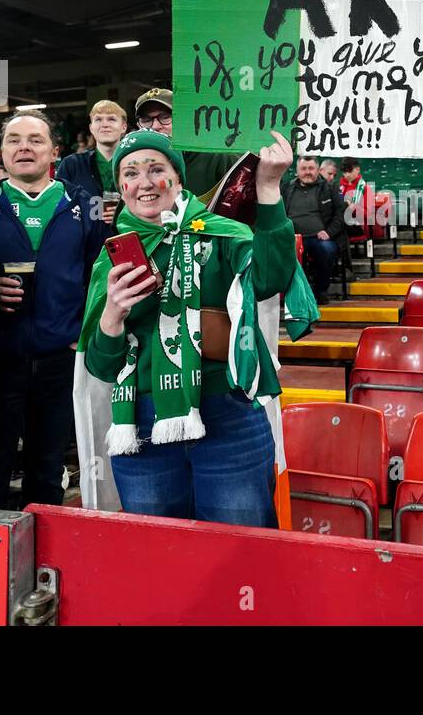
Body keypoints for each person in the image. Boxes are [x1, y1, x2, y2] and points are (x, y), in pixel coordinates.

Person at [80, 130, 310, 524]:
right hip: (142, 424)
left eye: (157, 169)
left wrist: (268, 187)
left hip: (228, 415)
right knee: (160, 554)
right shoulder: (112, 258)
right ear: (120, 186)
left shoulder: (222, 231)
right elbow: (102, 366)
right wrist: (112, 316)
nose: (144, 182)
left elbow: (272, 276)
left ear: (179, 178)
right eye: (131, 173)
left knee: (240, 547)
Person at [0, 114, 108, 509]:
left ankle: (45, 554)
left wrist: (85, 329)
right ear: (2, 152)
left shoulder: (86, 204)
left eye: (35, 140)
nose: (24, 147)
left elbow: (101, 274)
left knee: (47, 463)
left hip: (60, 355)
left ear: (54, 152)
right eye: (14, 140)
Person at [132, 89, 240, 202]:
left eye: (165, 117)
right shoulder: (133, 166)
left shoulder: (219, 157)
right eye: (145, 120)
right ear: (138, 125)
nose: (155, 126)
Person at [282, 155, 344, 305]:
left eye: (311, 168)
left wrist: (329, 232)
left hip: (319, 238)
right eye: (303, 168)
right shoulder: (286, 188)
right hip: (292, 238)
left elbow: (341, 213)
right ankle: (290, 294)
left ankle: (320, 291)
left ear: (318, 170)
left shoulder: (329, 188)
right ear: (297, 170)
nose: (307, 172)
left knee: (327, 250)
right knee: (277, 250)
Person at [56, 99, 129, 222]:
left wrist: (127, 212)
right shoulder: (71, 164)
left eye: (111, 119)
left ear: (124, 127)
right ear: (91, 128)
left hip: (128, 235)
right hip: (85, 238)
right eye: (98, 120)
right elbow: (59, 207)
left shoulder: (137, 164)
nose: (105, 125)